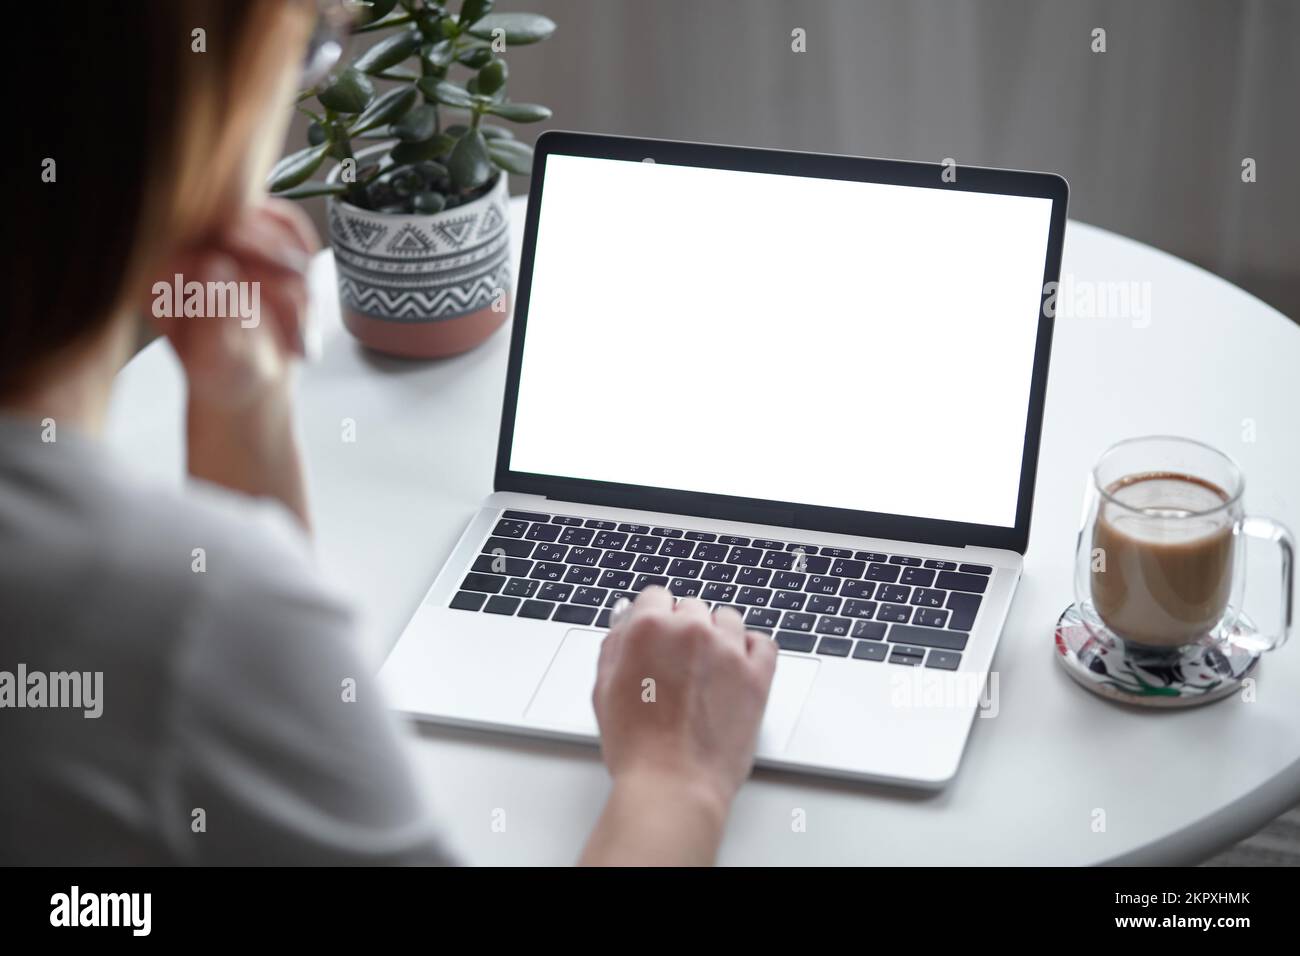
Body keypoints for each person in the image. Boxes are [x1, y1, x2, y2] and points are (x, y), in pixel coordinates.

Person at [1, 0, 775, 866]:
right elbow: (216, 645)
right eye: (307, 54)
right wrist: (678, 777)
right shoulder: (178, 612)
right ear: (187, 111)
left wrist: (240, 412)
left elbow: (249, 757)